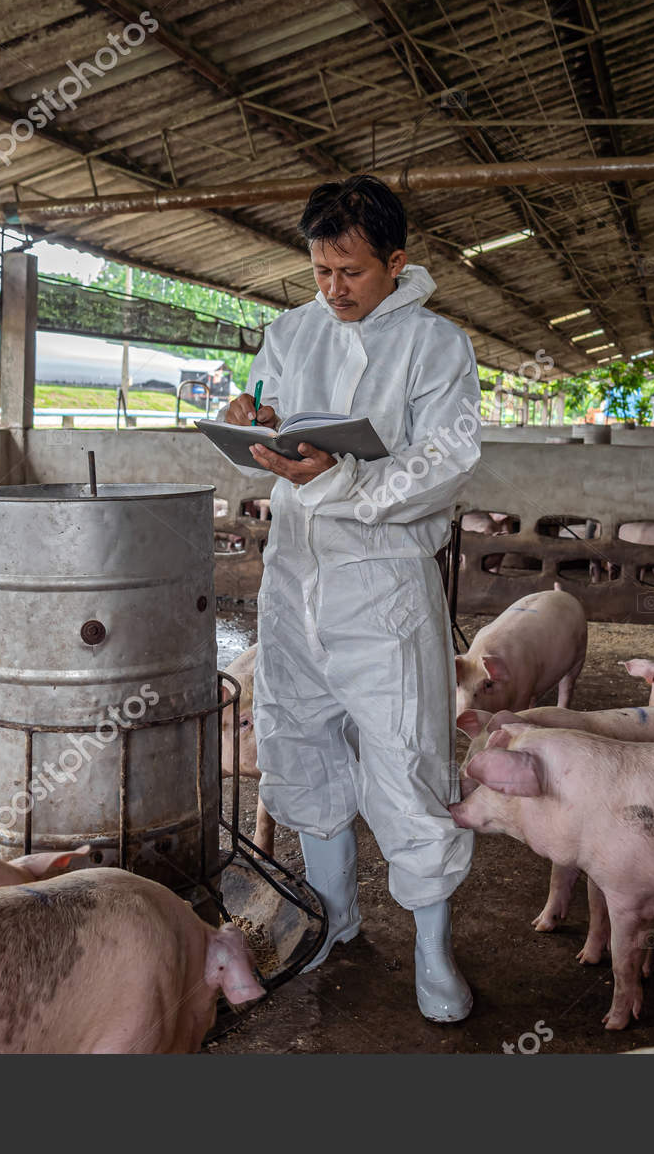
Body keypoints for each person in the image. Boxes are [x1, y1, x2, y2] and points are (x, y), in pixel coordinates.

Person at [223, 175, 481, 1022]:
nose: (333, 289)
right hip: (294, 576)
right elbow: (263, 416)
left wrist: (346, 477)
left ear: (396, 263)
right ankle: (335, 919)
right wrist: (247, 423)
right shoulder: (290, 331)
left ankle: (433, 950)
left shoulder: (436, 346)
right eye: (321, 271)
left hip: (383, 584)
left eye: (352, 272)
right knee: (298, 743)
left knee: (405, 758)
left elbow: (445, 461)